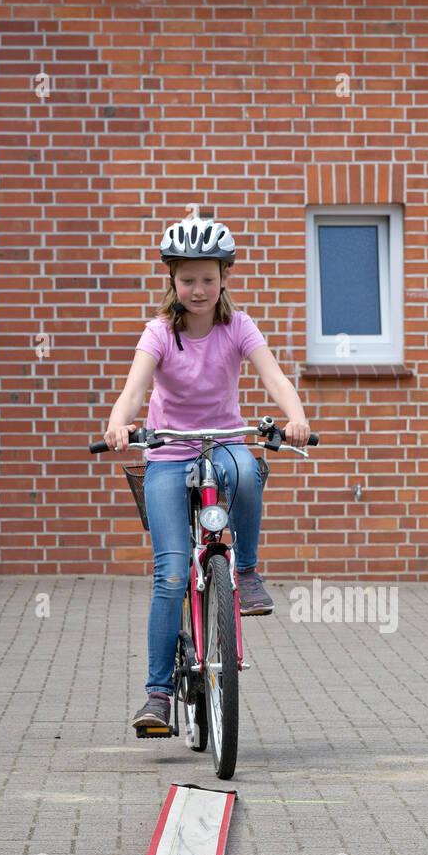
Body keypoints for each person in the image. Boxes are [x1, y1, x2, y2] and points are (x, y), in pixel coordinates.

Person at [104, 214, 311, 730]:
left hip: (222, 443)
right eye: (187, 278)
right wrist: (118, 422)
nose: (199, 289)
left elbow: (276, 377)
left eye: (208, 278)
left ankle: (244, 569)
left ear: (225, 277)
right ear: (172, 281)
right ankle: (156, 696)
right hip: (169, 454)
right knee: (171, 576)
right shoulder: (158, 333)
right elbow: (134, 389)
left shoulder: (237, 327)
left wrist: (297, 416)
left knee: (247, 465)